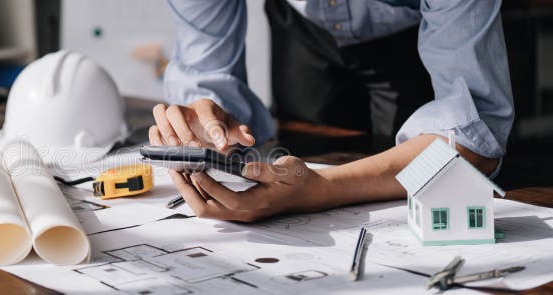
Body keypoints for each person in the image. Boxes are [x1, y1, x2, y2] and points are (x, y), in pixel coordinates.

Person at [148, 0, 514, 222]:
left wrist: (318, 189)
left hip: (414, 30)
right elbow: (204, 67)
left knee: (420, 191)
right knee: (300, 154)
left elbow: (473, 137)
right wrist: (207, 116)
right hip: (305, 32)